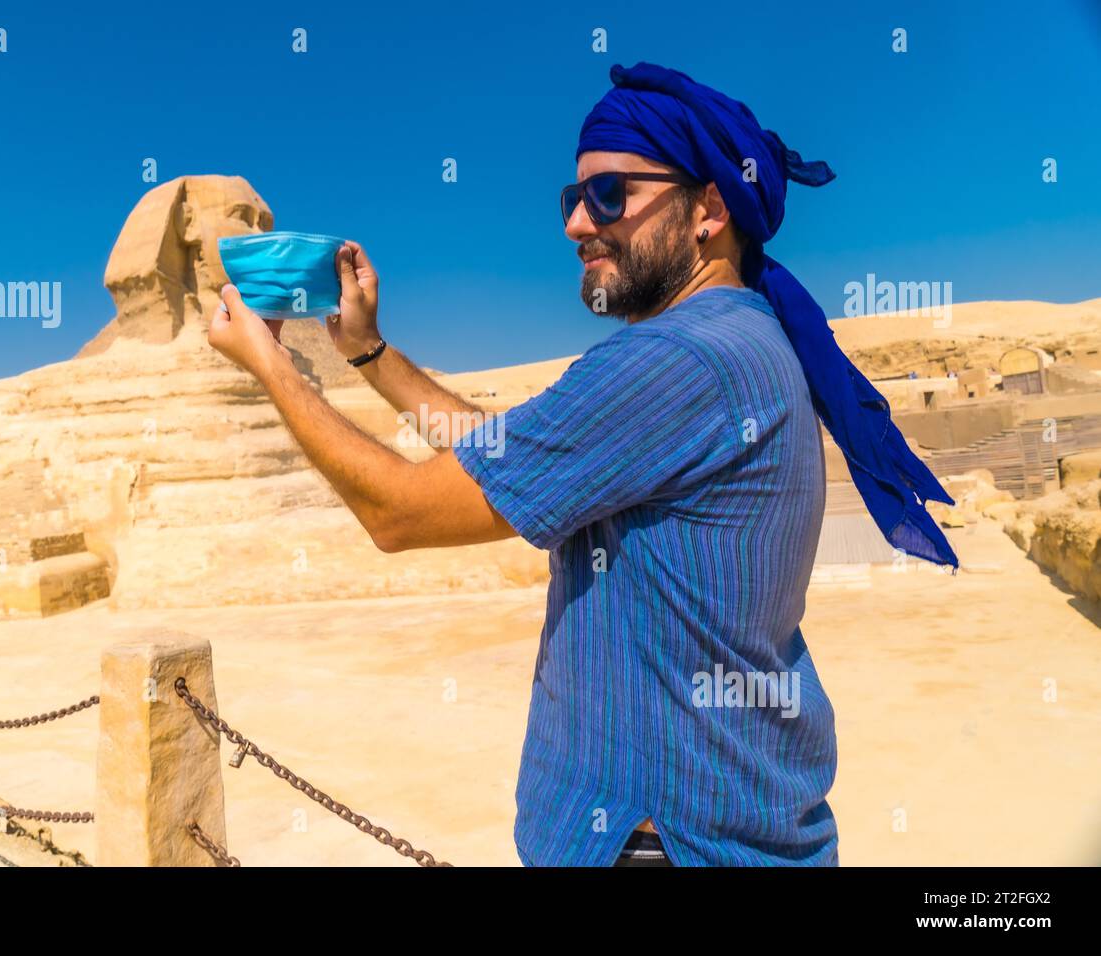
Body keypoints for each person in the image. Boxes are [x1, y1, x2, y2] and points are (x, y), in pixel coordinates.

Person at [206, 62, 958, 867]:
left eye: (609, 197)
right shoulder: (741, 341)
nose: (575, 225)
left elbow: (398, 514)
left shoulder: (677, 361)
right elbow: (503, 462)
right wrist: (367, 353)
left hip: (662, 843)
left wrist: (271, 366)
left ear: (708, 208)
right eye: (574, 199)